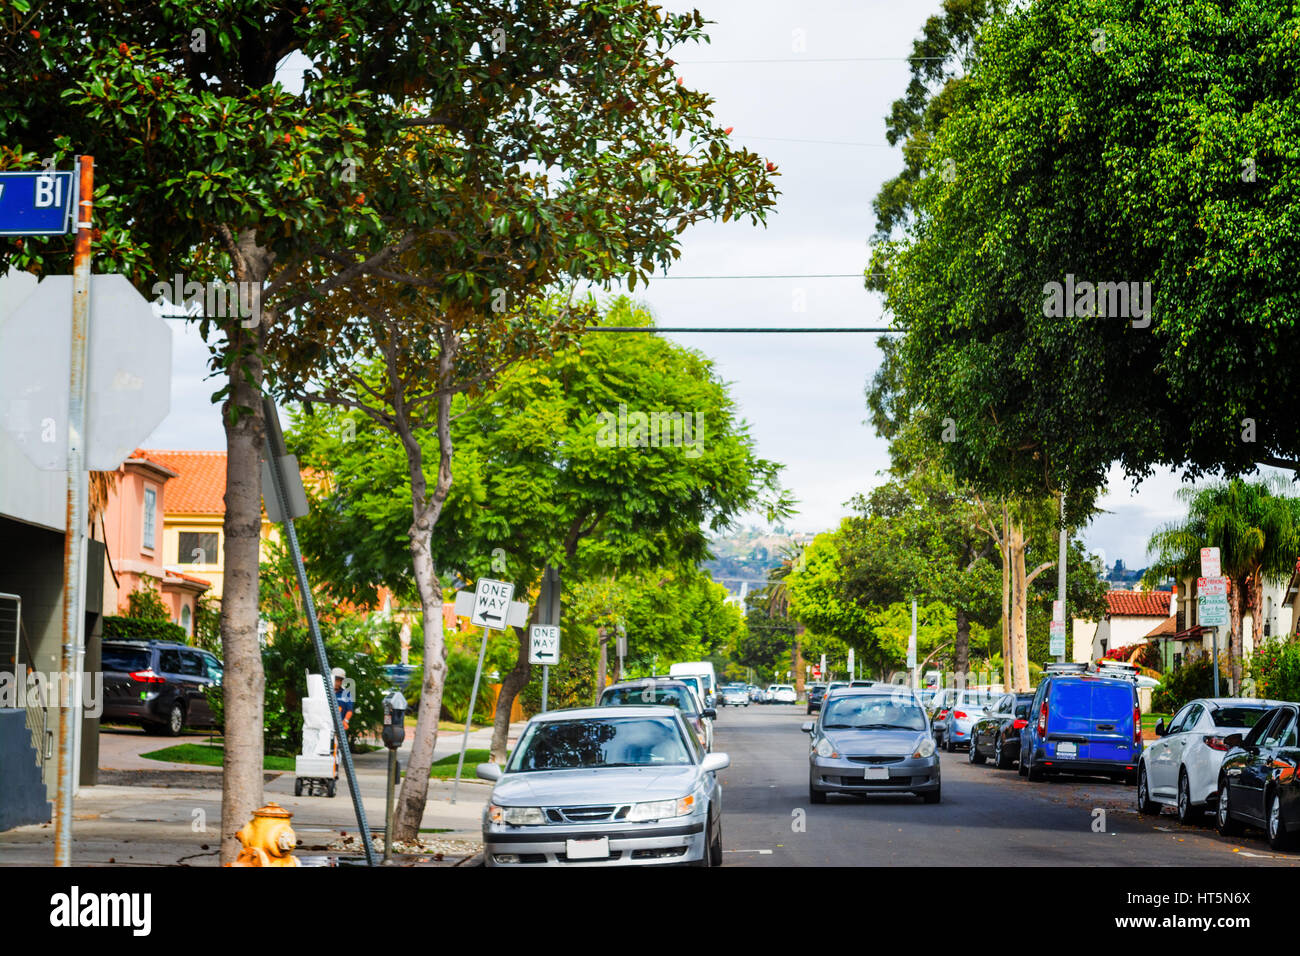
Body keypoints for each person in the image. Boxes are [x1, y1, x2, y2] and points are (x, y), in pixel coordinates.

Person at [332, 667, 354, 732]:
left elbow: (349, 710)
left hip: (339, 728)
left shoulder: (347, 694)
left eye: (340, 680)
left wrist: (345, 721)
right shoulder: (324, 692)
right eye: (336, 679)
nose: (337, 682)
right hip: (325, 726)